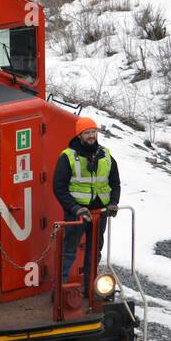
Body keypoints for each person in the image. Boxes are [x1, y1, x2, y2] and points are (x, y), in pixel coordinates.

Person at [52, 116, 121, 289]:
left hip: (99, 213)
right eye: (87, 132)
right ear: (79, 135)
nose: (91, 136)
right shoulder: (68, 157)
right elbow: (59, 187)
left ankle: (90, 289)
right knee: (68, 252)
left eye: (93, 132)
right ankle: (58, 291)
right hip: (76, 214)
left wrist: (113, 203)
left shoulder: (106, 155)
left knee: (94, 252)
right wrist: (75, 208)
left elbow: (115, 182)